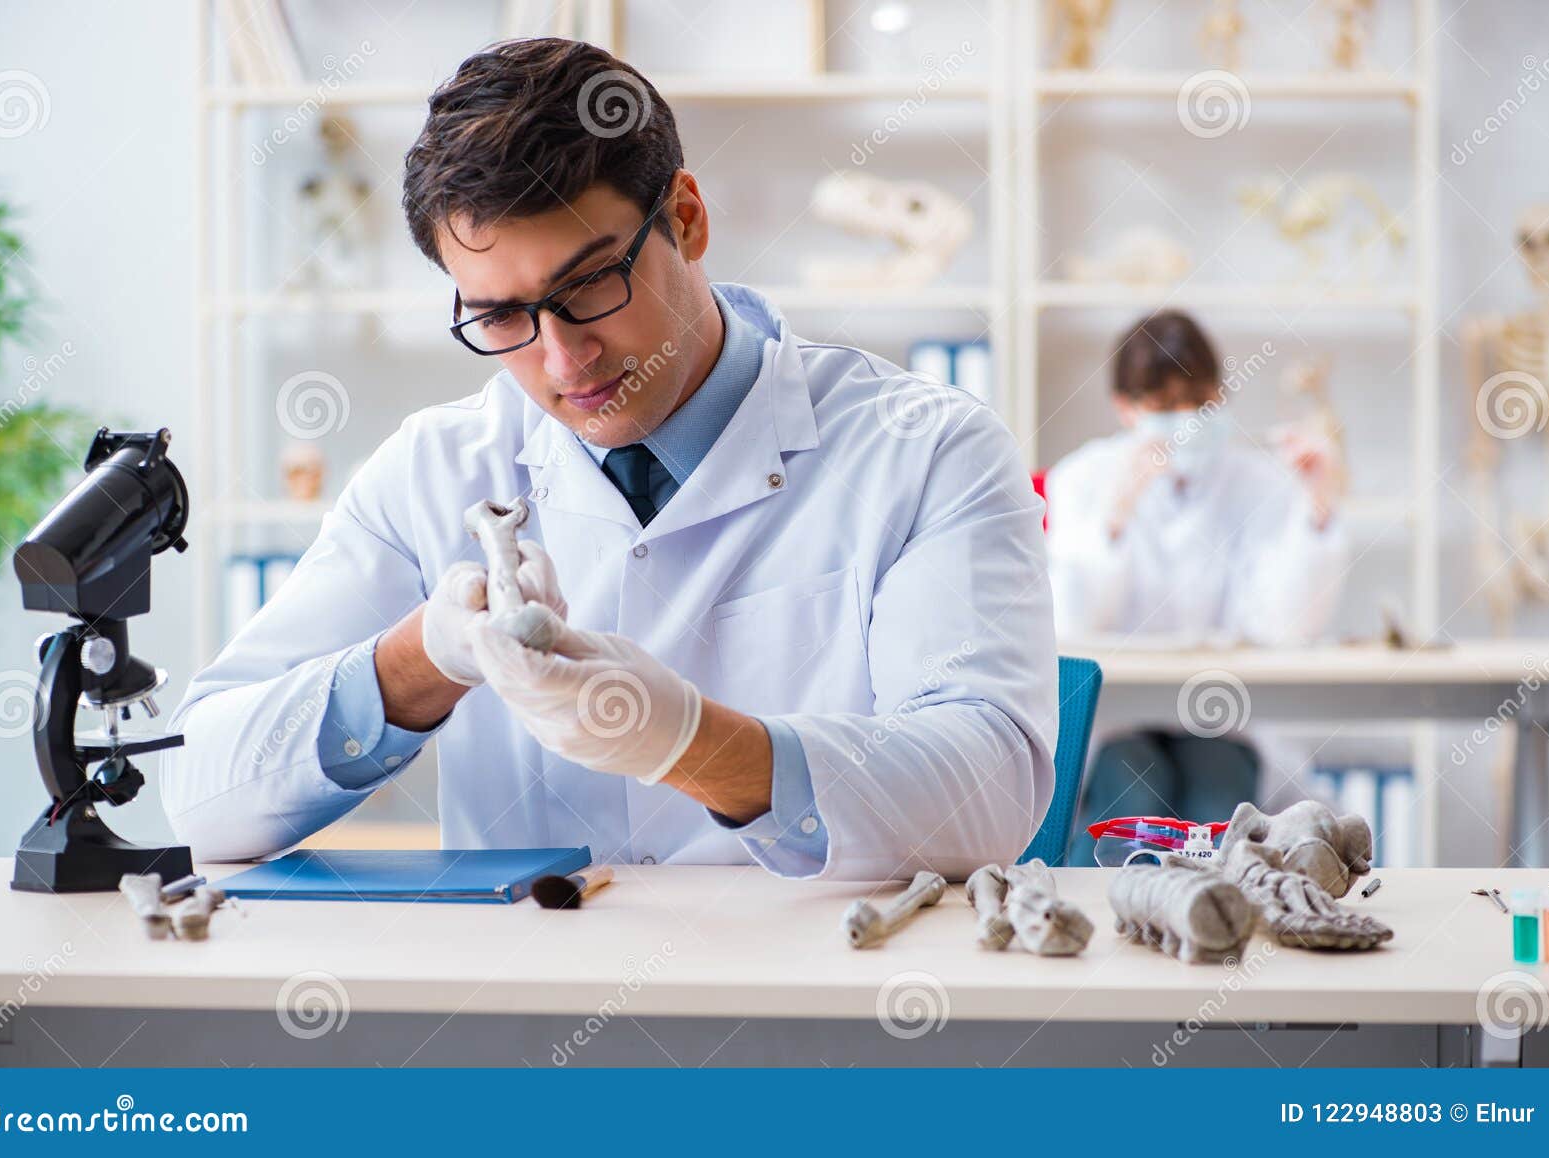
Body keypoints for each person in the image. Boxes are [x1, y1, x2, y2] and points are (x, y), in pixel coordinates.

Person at [159, 38, 1058, 882]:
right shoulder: (433, 470)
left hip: (823, 1011)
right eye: (501, 316)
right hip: (524, 1024)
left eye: (589, 284)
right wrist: (420, 661)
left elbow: (991, 793)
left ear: (687, 218)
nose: (563, 360)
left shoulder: (927, 449)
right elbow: (201, 795)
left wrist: (692, 743)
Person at [1045, 311, 1346, 864]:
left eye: (1200, 403)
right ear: (1125, 408)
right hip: (1120, 716)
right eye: (1162, 407)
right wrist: (1115, 514)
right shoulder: (1083, 478)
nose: (1184, 420)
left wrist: (1318, 505)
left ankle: (1213, 932)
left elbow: (1283, 625)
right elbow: (1071, 623)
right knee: (1133, 794)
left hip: (1223, 716)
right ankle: (1122, 933)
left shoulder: (1261, 481)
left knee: (1217, 801)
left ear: (1221, 398)